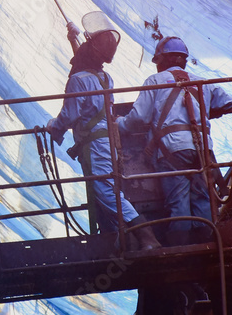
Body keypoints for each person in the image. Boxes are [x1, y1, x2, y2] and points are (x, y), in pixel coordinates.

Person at [46, 28, 161, 251]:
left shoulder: (77, 81)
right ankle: (122, 237)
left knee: (105, 191)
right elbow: (85, 65)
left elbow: (69, 115)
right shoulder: (105, 78)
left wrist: (54, 127)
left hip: (94, 146)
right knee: (108, 188)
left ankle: (146, 236)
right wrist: (73, 38)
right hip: (109, 142)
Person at [118, 36, 232, 246]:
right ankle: (207, 248)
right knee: (203, 201)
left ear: (161, 60)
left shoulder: (155, 81)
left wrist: (119, 124)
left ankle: (182, 253)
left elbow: (138, 118)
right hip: (203, 152)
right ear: (183, 60)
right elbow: (228, 103)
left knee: (179, 205)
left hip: (172, 150)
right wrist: (206, 111)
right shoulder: (201, 81)